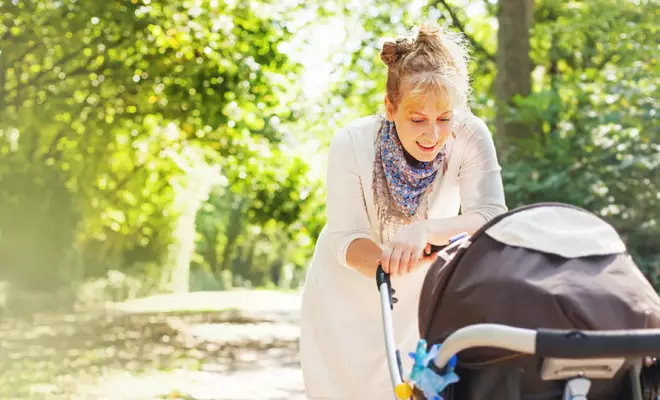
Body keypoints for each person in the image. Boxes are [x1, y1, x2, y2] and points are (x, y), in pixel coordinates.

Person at [299, 21, 508, 399]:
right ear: (390, 107)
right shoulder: (351, 142)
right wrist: (392, 261)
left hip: (424, 300)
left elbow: (492, 217)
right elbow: (345, 239)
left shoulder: (471, 135)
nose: (433, 134)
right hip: (343, 302)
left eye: (445, 118)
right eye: (417, 119)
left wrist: (425, 232)